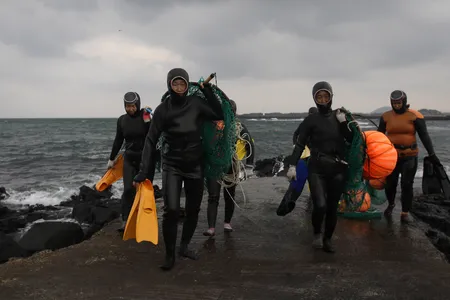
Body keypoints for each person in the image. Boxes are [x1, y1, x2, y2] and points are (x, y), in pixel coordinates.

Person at [133, 68, 224, 271]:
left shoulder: (196, 104)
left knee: (193, 209)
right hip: (172, 165)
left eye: (183, 84)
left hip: (194, 165)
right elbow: (150, 140)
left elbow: (218, 114)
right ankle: (169, 255)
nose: (180, 88)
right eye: (175, 84)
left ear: (187, 84)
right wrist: (143, 170)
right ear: (169, 85)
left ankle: (183, 247)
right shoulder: (163, 110)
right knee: (171, 210)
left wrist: (207, 89)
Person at [286, 81, 353, 253]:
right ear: (315, 99)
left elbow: (351, 140)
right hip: (317, 168)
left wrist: (344, 123)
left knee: (332, 207)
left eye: (326, 96)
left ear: (331, 97)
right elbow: (300, 144)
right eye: (319, 97)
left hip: (338, 169)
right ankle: (317, 233)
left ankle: (328, 239)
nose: (323, 99)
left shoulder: (339, 117)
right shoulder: (311, 120)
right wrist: (292, 165)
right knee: (320, 205)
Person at [377, 90, 441, 223]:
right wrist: (375, 154)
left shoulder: (415, 116)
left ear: (404, 101)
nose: (397, 105)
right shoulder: (385, 116)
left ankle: (405, 212)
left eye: (399, 102)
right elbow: (379, 137)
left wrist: (432, 154)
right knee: (390, 184)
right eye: (394, 103)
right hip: (391, 156)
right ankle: (391, 204)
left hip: (410, 155)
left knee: (406, 184)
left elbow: (424, 136)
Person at [203, 99, 255, 237]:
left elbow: (249, 143)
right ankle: (211, 228)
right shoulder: (212, 126)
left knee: (230, 195)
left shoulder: (239, 127)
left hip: (231, 164)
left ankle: (227, 223)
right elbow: (204, 143)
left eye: (230, 111)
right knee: (213, 196)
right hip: (214, 164)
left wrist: (249, 166)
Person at [107, 92, 151, 231]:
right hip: (129, 158)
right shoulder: (122, 120)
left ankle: (143, 219)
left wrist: (148, 118)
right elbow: (118, 140)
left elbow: (152, 135)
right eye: (127, 106)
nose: (130, 109)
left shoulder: (145, 115)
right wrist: (111, 158)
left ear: (137, 105)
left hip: (145, 159)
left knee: (144, 192)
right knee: (128, 190)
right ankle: (125, 219)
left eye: (133, 106)